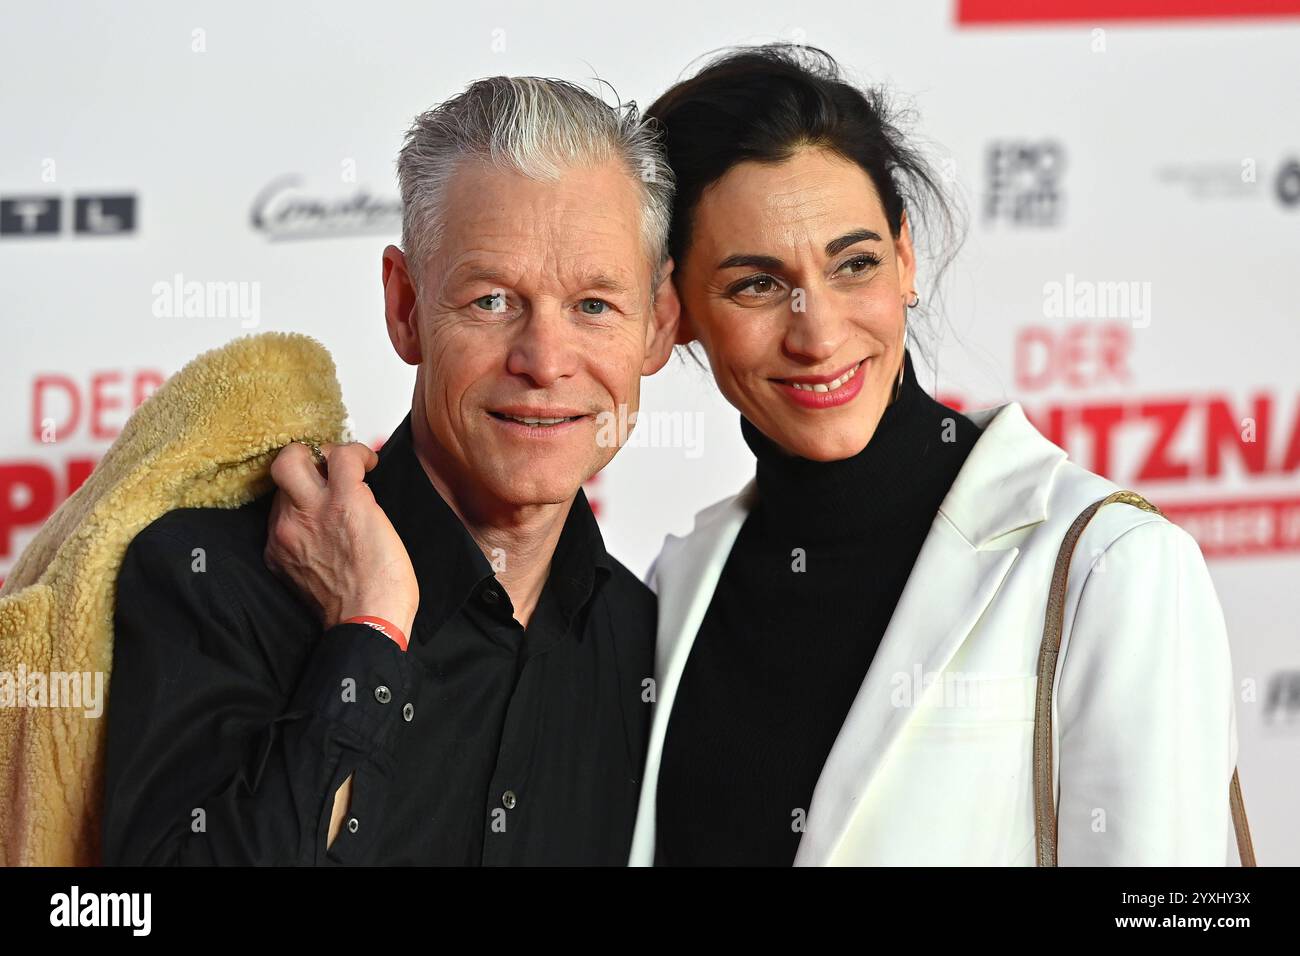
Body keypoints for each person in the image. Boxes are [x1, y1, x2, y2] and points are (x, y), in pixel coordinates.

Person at [626, 44, 1241, 866]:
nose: (819, 334)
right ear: (678, 310)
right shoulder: (677, 588)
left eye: (855, 265)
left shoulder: (1110, 566)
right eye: (757, 284)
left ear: (906, 260)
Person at [102, 76, 679, 865]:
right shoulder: (211, 583)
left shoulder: (653, 651)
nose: (545, 361)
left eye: (593, 306)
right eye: (491, 301)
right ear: (405, 307)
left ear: (657, 326)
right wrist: (368, 632)